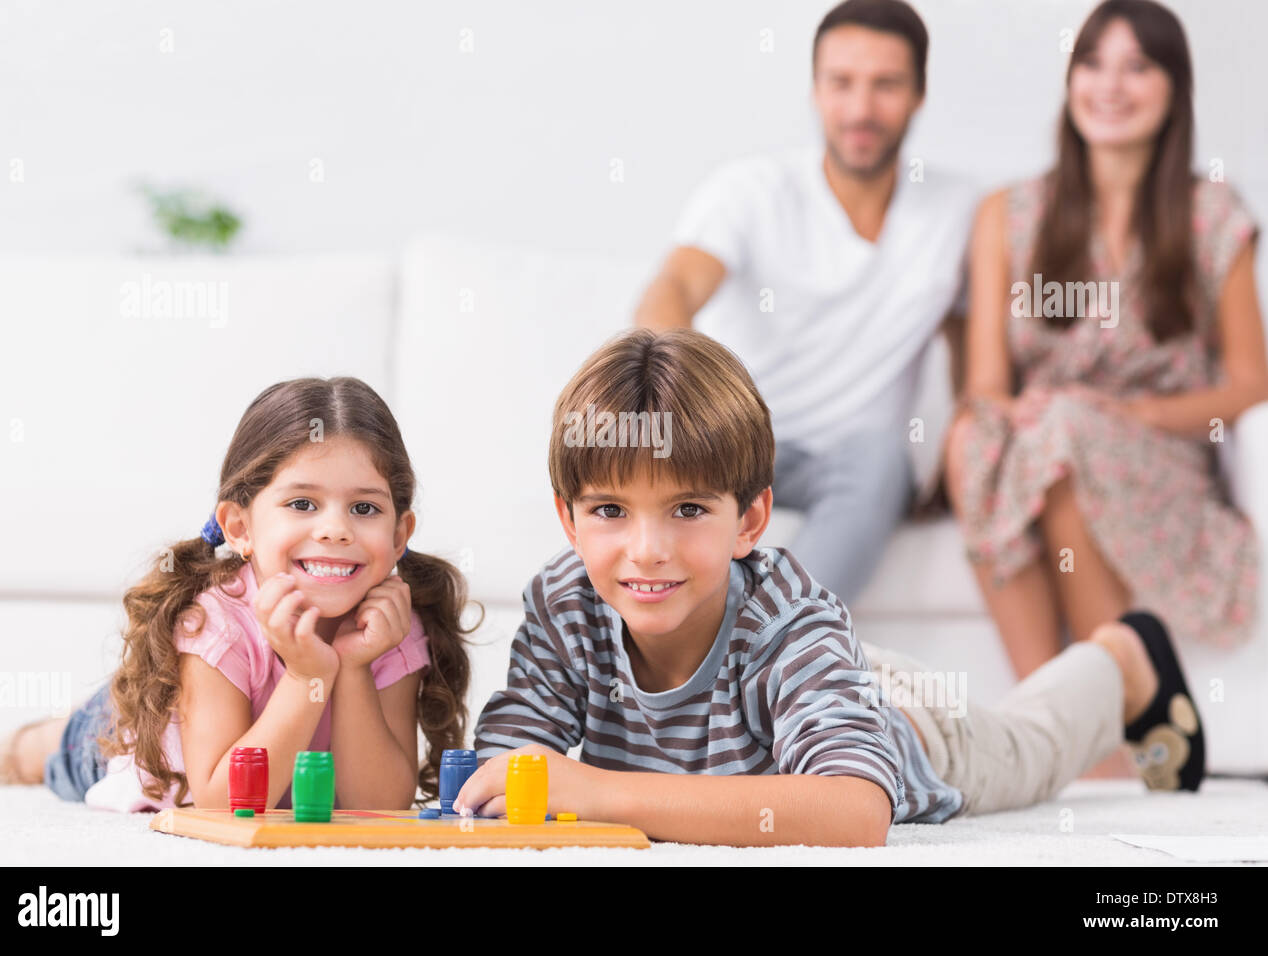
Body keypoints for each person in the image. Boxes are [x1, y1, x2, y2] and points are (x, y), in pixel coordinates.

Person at [453, 329, 1204, 847]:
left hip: (908, 727)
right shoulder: (564, 601)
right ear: (570, 520)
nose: (646, 551)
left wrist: (602, 791)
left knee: (1034, 746)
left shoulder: (785, 611)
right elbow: (511, 769)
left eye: (687, 509)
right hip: (818, 688)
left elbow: (854, 812)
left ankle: (1127, 654)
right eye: (611, 512)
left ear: (750, 519)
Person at [944, 0, 1267, 684]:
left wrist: (1133, 415)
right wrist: (1026, 413)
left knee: (1065, 434)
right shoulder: (1008, 214)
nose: (1110, 87)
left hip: (1159, 455)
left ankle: (1106, 722)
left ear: (1175, 88)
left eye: (1138, 67)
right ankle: (1045, 708)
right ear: (1070, 81)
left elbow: (1249, 382)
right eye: (1092, 64)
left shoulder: (1213, 215)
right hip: (1043, 434)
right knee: (972, 439)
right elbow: (985, 383)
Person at [0, 377, 475, 812]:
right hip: (139, 741)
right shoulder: (214, 621)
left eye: (365, 509)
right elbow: (222, 800)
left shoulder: (392, 625)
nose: (335, 529)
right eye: (303, 503)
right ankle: (43, 735)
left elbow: (379, 804)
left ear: (399, 535)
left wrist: (351, 667)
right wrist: (306, 674)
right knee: (63, 750)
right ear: (239, 528)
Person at [633, 0, 979, 602]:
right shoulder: (753, 191)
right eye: (841, 83)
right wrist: (683, 400)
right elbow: (676, 287)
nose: (861, 109)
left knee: (879, 456)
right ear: (815, 90)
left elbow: (978, 352)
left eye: (886, 85)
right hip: (738, 440)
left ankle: (773, 649)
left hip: (857, 467)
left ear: (920, 94)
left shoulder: (957, 212)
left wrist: (961, 457)